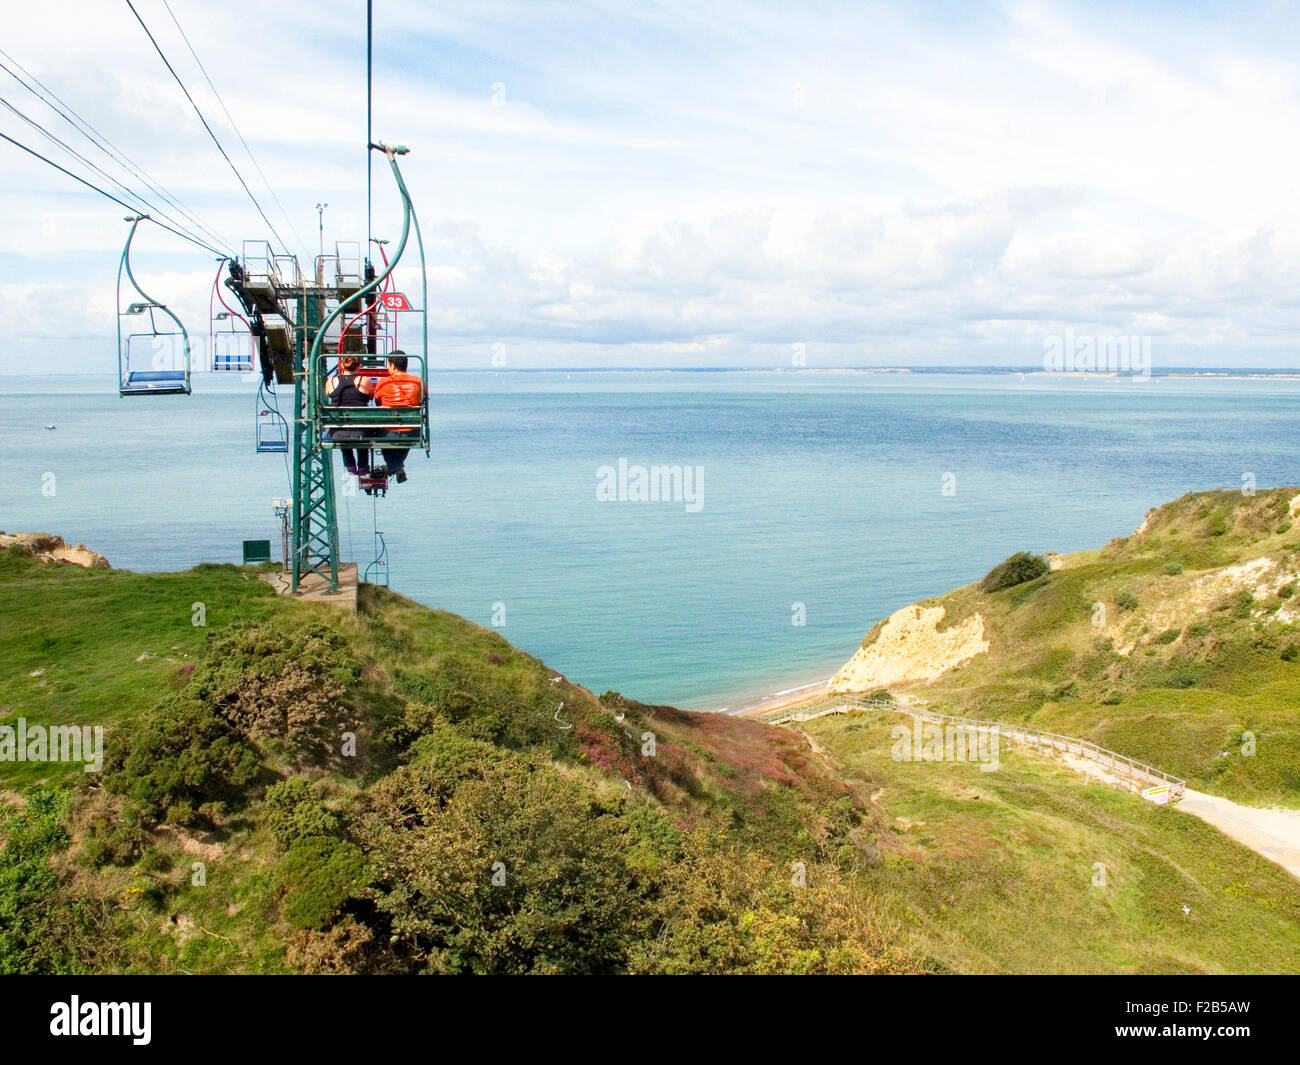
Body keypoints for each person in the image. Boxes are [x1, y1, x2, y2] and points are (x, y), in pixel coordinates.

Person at [359, 351, 422, 483]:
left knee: (384, 436)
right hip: (412, 431)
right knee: (408, 434)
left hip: (388, 432)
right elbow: (423, 400)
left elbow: (378, 402)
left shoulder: (384, 383)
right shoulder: (418, 382)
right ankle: (396, 467)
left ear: (392, 365)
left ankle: (396, 467)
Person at [324, 355, 372, 475]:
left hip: (338, 432)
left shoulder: (331, 382)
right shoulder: (364, 380)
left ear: (341, 365)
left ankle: (350, 465)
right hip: (361, 431)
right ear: (358, 366)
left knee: (341, 430)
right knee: (362, 430)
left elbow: (328, 393)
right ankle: (362, 466)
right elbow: (371, 396)